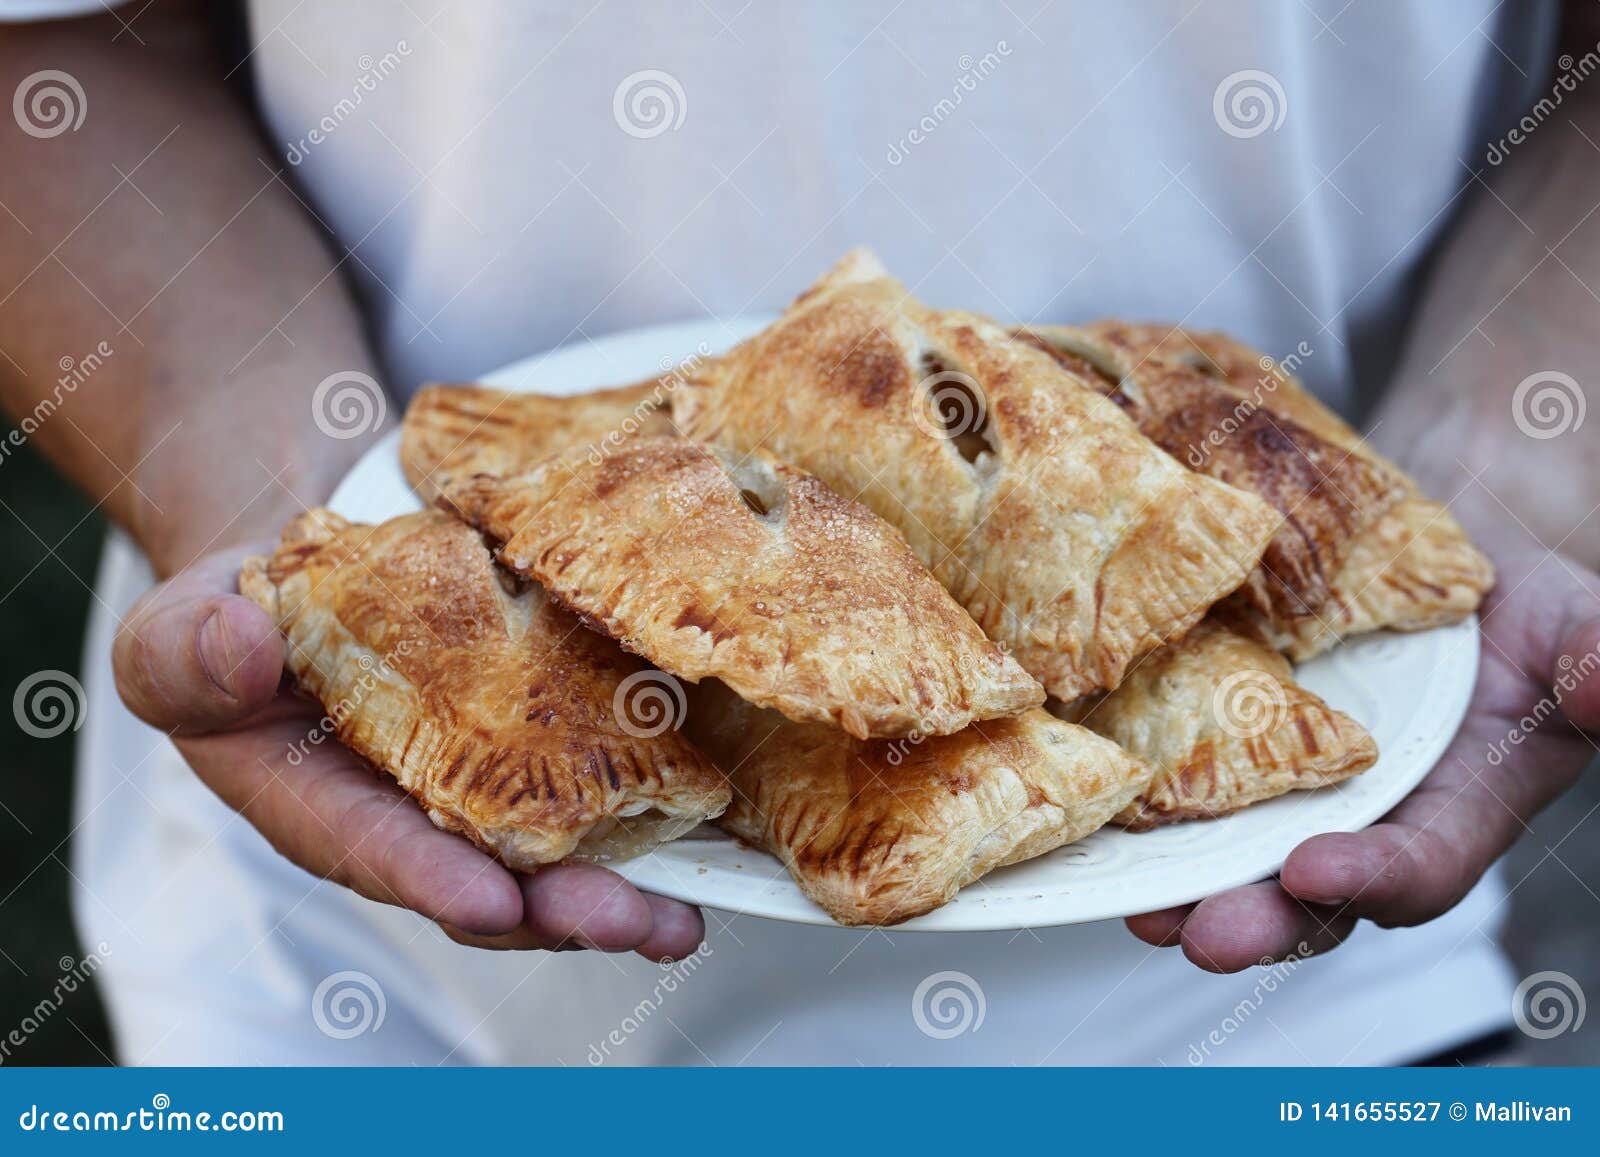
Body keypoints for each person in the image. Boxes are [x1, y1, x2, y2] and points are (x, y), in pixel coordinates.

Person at [2, 0, 1596, 1065]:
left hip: (1300, 1033)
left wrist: (1507, 457)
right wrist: (273, 492)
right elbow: (52, 49)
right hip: (360, 1015)